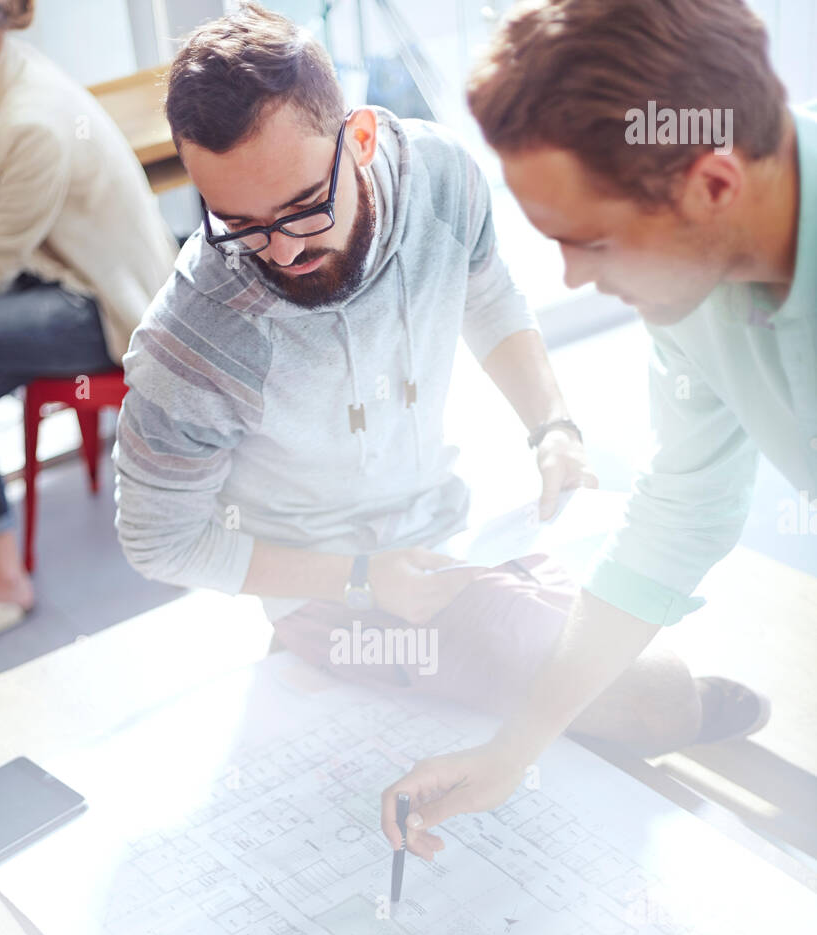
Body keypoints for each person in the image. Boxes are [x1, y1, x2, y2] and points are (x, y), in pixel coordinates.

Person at [115, 2, 762, 790]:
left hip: (464, 532)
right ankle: (332, 655)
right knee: (655, 699)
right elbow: (160, 544)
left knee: (614, 655)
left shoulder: (439, 173)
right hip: (338, 595)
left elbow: (486, 292)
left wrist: (550, 425)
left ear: (357, 140)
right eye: (238, 224)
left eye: (300, 209)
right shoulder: (191, 344)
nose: (279, 251)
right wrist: (362, 576)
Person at [382, 0, 812, 874]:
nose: (574, 277)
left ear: (714, 184)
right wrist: (515, 748)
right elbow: (677, 516)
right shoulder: (696, 285)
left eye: (595, 242)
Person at [0, 0, 177, 651]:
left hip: (102, 311)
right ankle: (4, 583)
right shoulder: (4, 78)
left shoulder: (30, 116)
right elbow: (17, 182)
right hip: (60, 284)